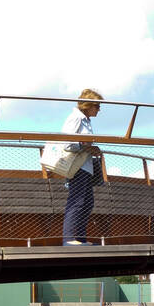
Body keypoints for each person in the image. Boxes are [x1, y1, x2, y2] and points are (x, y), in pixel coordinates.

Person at [60, 89, 103, 245]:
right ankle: (69, 239)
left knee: (87, 202)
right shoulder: (76, 118)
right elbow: (67, 143)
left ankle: (80, 239)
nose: (99, 109)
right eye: (97, 106)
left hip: (85, 167)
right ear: (88, 105)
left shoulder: (85, 119)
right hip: (78, 167)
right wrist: (88, 147)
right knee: (77, 201)